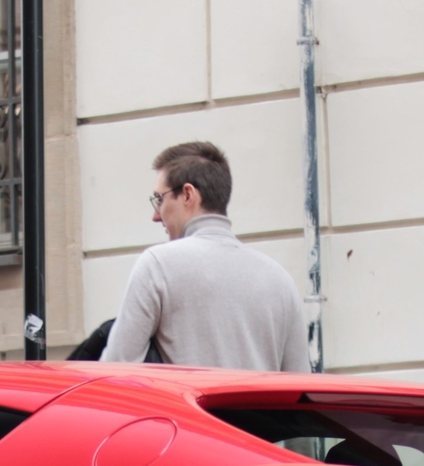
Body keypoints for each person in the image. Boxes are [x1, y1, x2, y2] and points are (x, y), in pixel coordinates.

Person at [104, 141, 309, 372]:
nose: (156, 215)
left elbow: (116, 370)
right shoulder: (280, 279)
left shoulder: (158, 265)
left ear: (188, 195)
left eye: (160, 199)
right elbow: (301, 385)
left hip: (186, 398)